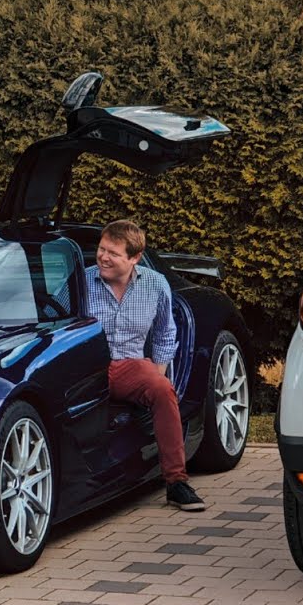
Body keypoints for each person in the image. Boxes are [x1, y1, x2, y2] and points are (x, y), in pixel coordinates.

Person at [87, 219, 206, 511]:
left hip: (129, 366)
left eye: (113, 253)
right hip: (87, 368)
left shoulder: (155, 284)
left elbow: (166, 332)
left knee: (162, 390)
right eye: (102, 249)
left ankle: (176, 482)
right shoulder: (81, 281)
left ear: (134, 258)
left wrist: (157, 374)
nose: (103, 257)